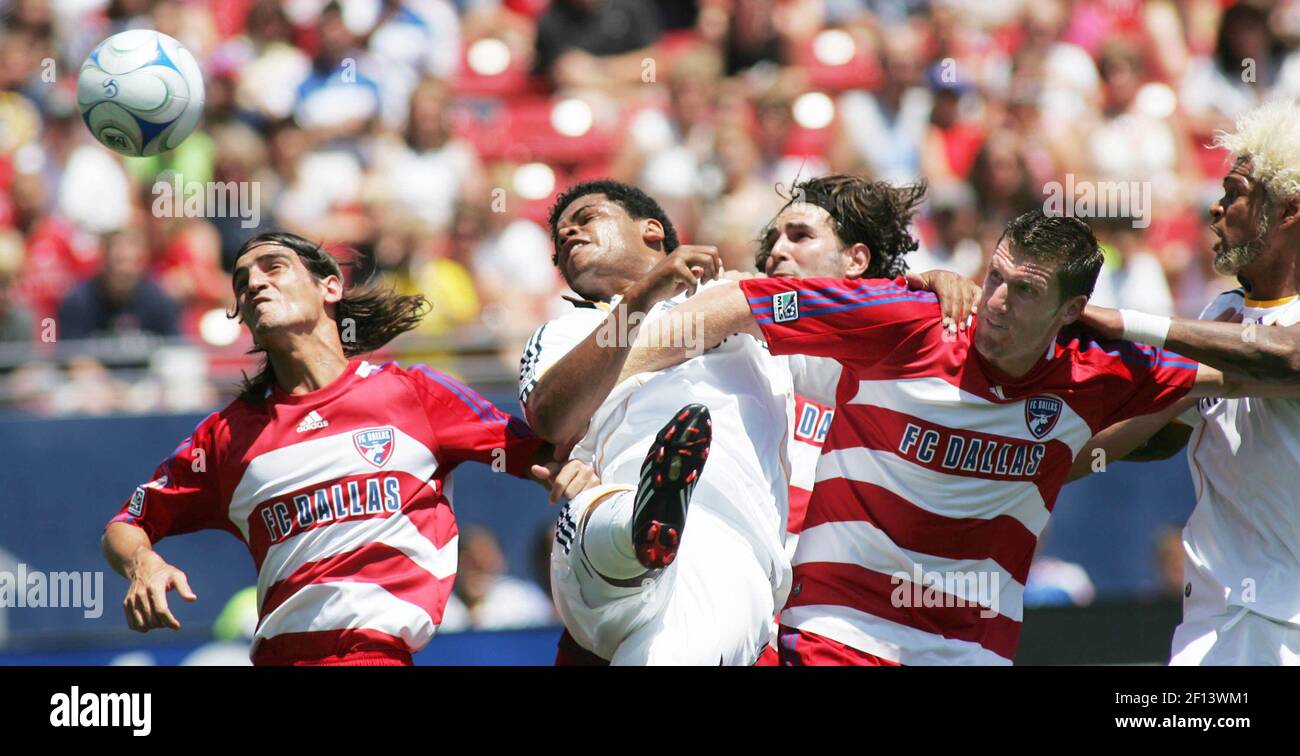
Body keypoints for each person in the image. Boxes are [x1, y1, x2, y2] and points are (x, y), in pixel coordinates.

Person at [654, 208, 1299, 665]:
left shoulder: (1097, 371)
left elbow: (1277, 370)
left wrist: (1133, 330)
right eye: (995, 277)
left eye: (1025, 292)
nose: (995, 302)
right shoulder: (905, 320)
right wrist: (616, 361)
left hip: (972, 652)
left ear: (1071, 313)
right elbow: (746, 299)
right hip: (835, 634)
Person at [519, 177, 971, 665]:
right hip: (603, 551)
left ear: (651, 230)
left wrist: (921, 296)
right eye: (559, 238)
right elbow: (551, 415)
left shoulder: (761, 325)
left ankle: (651, 519)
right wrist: (646, 294)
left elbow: (877, 360)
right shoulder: (563, 332)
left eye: (585, 220)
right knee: (601, 518)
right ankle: (644, 521)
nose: (568, 236)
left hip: (729, 556)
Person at [102, 231, 596, 666]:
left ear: (330, 286)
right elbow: (126, 527)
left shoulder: (414, 395)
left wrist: (575, 471)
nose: (253, 284)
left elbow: (545, 452)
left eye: (273, 267)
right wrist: (143, 562)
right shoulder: (226, 437)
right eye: (241, 281)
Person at [1072, 99, 1300, 665]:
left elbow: (1288, 358)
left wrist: (1123, 323)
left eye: (1235, 193)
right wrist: (1058, 453)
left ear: (1290, 211)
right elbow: (1163, 431)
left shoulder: (1236, 331)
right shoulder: (1221, 312)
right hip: (1216, 623)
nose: (1216, 212)